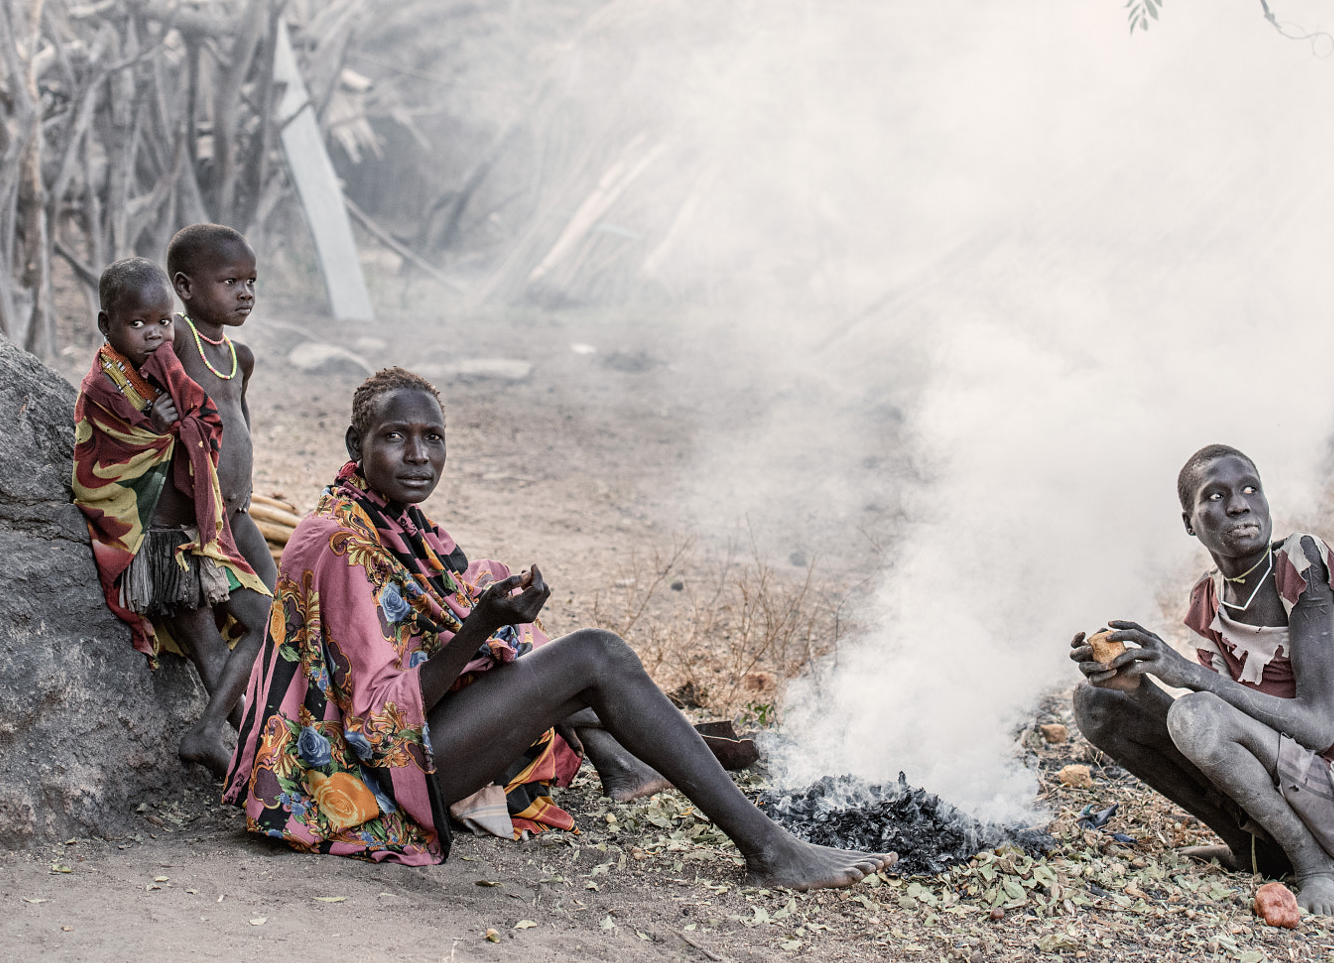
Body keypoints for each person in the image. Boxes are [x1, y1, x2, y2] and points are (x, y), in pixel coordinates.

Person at [223, 366, 897, 886]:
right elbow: (375, 724)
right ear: (355, 444)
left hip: (387, 752)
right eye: (395, 437)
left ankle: (627, 757)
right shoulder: (339, 541)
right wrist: (481, 623)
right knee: (595, 655)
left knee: (548, 651)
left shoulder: (388, 517)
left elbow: (436, 610)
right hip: (354, 783)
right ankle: (771, 848)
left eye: (433, 437)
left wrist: (490, 614)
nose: (419, 455)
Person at [1069, 444, 1334, 918]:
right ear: (1190, 522)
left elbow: (1319, 727)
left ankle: (1316, 867)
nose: (1240, 504)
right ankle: (1251, 851)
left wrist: (1185, 674)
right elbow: (1228, 725)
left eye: (1250, 489)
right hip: (1276, 795)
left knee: (1196, 711)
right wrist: (1134, 684)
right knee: (1097, 701)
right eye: (1216, 495)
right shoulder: (1208, 599)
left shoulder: (1301, 562)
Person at [71, 257, 274, 774]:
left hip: (208, 530)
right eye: (138, 324)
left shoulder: (173, 360)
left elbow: (217, 418)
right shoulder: (107, 381)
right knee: (208, 643)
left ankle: (223, 737)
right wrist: (150, 424)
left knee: (260, 618)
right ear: (107, 326)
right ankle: (241, 759)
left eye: (162, 323)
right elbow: (106, 452)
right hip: (161, 540)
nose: (154, 334)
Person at [165, 223, 275, 591]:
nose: (246, 293)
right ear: (185, 287)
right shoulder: (177, 339)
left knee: (273, 595)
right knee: (241, 609)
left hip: (236, 512)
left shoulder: (239, 357)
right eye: (231, 282)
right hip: (194, 516)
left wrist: (246, 477)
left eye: (251, 282)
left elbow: (239, 420)